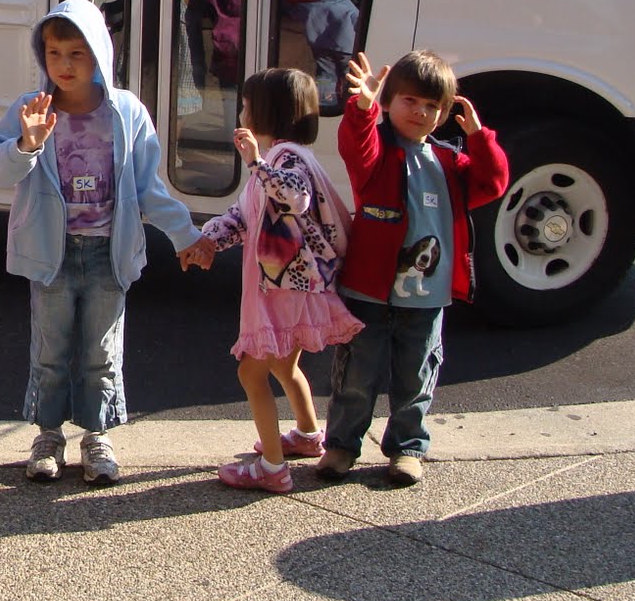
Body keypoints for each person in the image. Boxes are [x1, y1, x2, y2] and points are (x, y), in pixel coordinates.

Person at [0, 0, 202, 486]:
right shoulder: (29, 109)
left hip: (108, 253)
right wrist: (28, 144)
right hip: (51, 255)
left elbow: (149, 188)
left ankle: (97, 437)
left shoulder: (125, 112)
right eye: (54, 52)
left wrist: (188, 235)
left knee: (102, 352)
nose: (64, 64)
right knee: (51, 350)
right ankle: (48, 435)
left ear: (100, 53)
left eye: (77, 53)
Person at [322, 50, 509, 486]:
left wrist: (480, 137)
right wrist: (363, 107)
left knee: (416, 376)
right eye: (411, 101)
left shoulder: (450, 163)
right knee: (356, 375)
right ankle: (342, 446)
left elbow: (494, 182)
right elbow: (355, 144)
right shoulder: (378, 156)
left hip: (428, 296)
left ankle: (407, 448)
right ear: (390, 102)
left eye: (433, 106)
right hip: (369, 291)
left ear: (445, 113)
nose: (422, 112)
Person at [187, 68, 361, 493]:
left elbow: (293, 196)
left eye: (248, 104)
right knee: (284, 364)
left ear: (267, 111)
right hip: (297, 286)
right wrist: (208, 240)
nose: (243, 110)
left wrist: (256, 163)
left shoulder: (285, 160)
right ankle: (305, 434)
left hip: (280, 289)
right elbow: (246, 216)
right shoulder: (292, 156)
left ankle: (271, 467)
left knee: (252, 374)